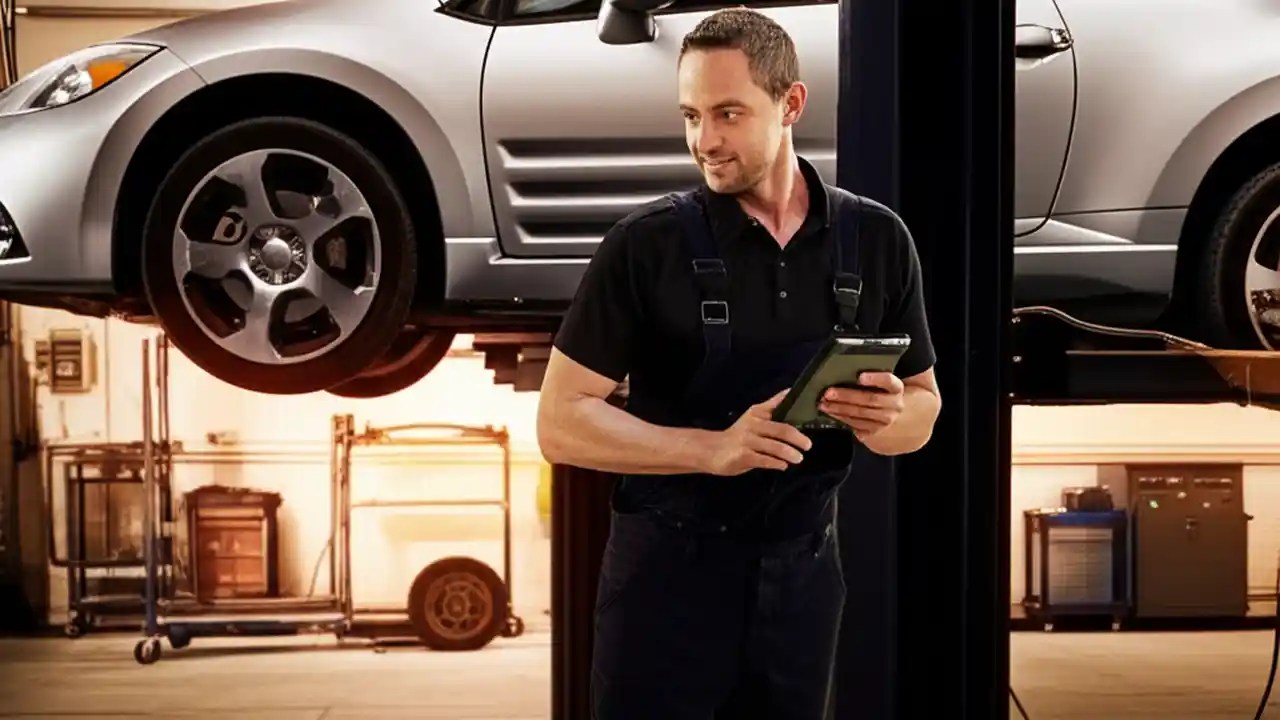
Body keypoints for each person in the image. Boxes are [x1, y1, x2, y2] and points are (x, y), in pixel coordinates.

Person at [536, 7, 940, 719]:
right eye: (691, 115)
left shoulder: (876, 239)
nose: (705, 141)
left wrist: (890, 415)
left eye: (727, 113)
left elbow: (924, 410)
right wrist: (713, 449)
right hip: (666, 584)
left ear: (791, 104)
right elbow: (560, 425)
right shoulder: (644, 246)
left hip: (803, 579)